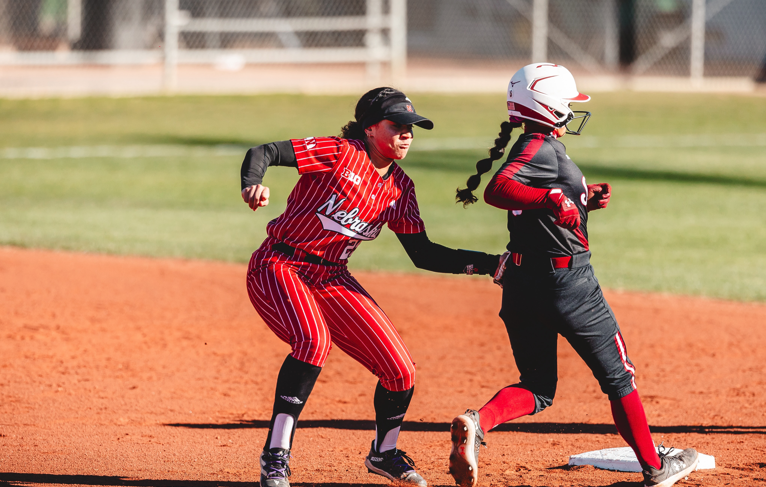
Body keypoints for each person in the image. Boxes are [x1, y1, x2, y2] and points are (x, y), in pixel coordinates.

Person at [447, 64, 700, 487]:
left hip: (523, 284)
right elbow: (498, 189)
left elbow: (534, 205)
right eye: (567, 102)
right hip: (569, 285)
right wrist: (552, 197)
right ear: (548, 106)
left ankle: (478, 421)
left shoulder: (536, 146)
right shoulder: (538, 147)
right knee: (619, 377)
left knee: (537, 387)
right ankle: (656, 467)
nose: (572, 108)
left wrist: (582, 200)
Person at [240, 87, 503, 487]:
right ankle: (275, 456)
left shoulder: (400, 189)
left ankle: (384, 453)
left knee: (400, 370)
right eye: (396, 126)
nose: (407, 134)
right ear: (369, 128)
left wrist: (489, 263)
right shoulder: (339, 152)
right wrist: (252, 184)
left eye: (411, 128)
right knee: (313, 342)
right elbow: (264, 152)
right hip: (280, 264)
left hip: (332, 276)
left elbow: (423, 254)